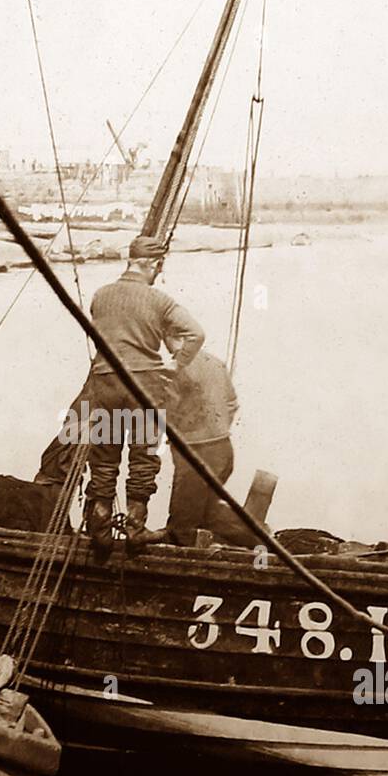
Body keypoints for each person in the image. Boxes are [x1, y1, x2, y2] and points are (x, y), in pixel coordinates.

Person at [84, 234, 204, 556]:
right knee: (143, 457)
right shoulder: (159, 300)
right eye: (158, 267)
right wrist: (175, 366)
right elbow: (196, 333)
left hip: (106, 382)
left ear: (129, 261)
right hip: (146, 386)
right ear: (153, 264)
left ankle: (100, 528)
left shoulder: (101, 295)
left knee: (105, 458)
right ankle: (135, 528)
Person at [165, 349, 238, 546]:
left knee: (182, 528)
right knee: (208, 515)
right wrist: (217, 429)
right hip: (223, 450)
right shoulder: (215, 362)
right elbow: (231, 403)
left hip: (196, 452)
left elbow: (167, 410)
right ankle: (261, 537)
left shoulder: (178, 368)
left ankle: (260, 538)